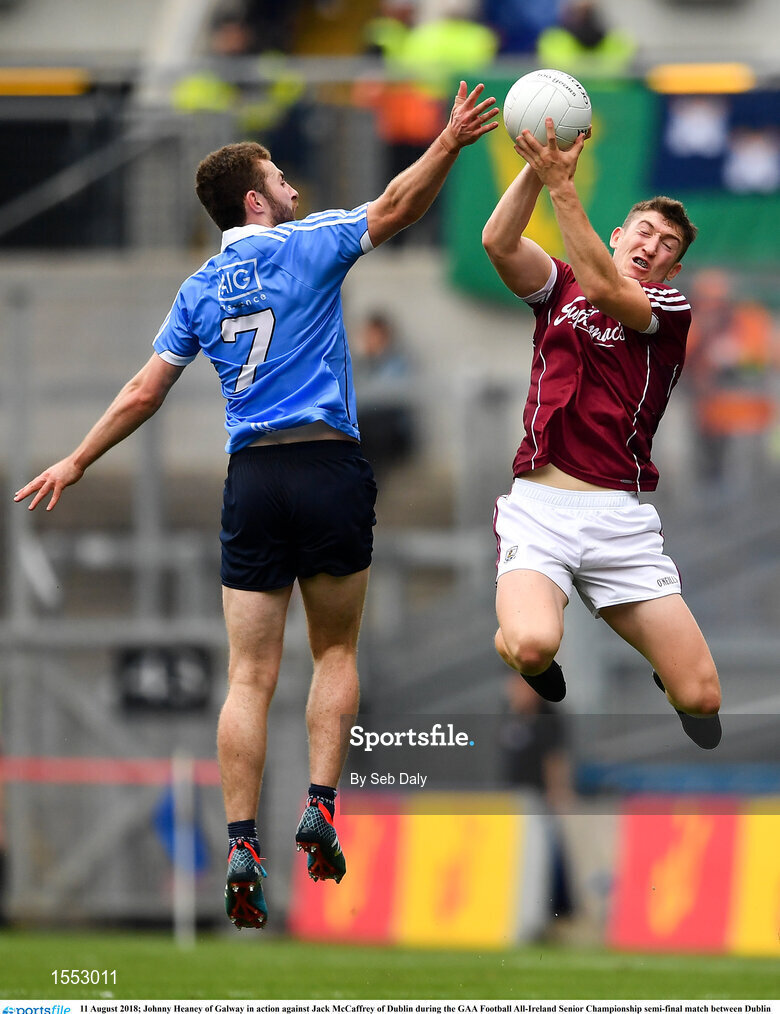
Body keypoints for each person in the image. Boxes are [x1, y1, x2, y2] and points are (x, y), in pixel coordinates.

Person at [13, 81, 499, 930]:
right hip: (328, 465)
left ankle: (243, 841)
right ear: (255, 198)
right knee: (337, 650)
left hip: (253, 480)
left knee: (248, 675)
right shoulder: (309, 245)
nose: (296, 190)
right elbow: (397, 204)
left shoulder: (199, 290)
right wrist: (451, 142)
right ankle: (318, 802)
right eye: (281, 178)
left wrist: (78, 458)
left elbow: (142, 390)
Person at [482, 116, 722, 752]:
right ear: (617, 235)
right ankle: (520, 649)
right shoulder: (557, 287)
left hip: (619, 521)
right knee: (532, 647)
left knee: (701, 698)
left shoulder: (668, 311)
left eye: (668, 243)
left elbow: (606, 287)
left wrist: (564, 185)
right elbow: (500, 244)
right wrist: (538, 168)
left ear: (671, 267)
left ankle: (664, 675)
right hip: (540, 510)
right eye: (644, 230)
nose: (653, 243)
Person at [498, 673, 576, 934]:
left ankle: (542, 918)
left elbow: (555, 759)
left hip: (536, 801)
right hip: (514, 800)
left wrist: (558, 793)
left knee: (540, 860)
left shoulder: (548, 718)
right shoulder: (509, 717)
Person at [683, 267, 775, 488]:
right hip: (702, 407)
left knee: (743, 468)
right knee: (703, 463)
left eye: (718, 304)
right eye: (705, 303)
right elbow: (682, 363)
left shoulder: (749, 320)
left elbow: (763, 357)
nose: (712, 310)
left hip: (746, 408)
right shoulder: (691, 326)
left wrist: (735, 355)